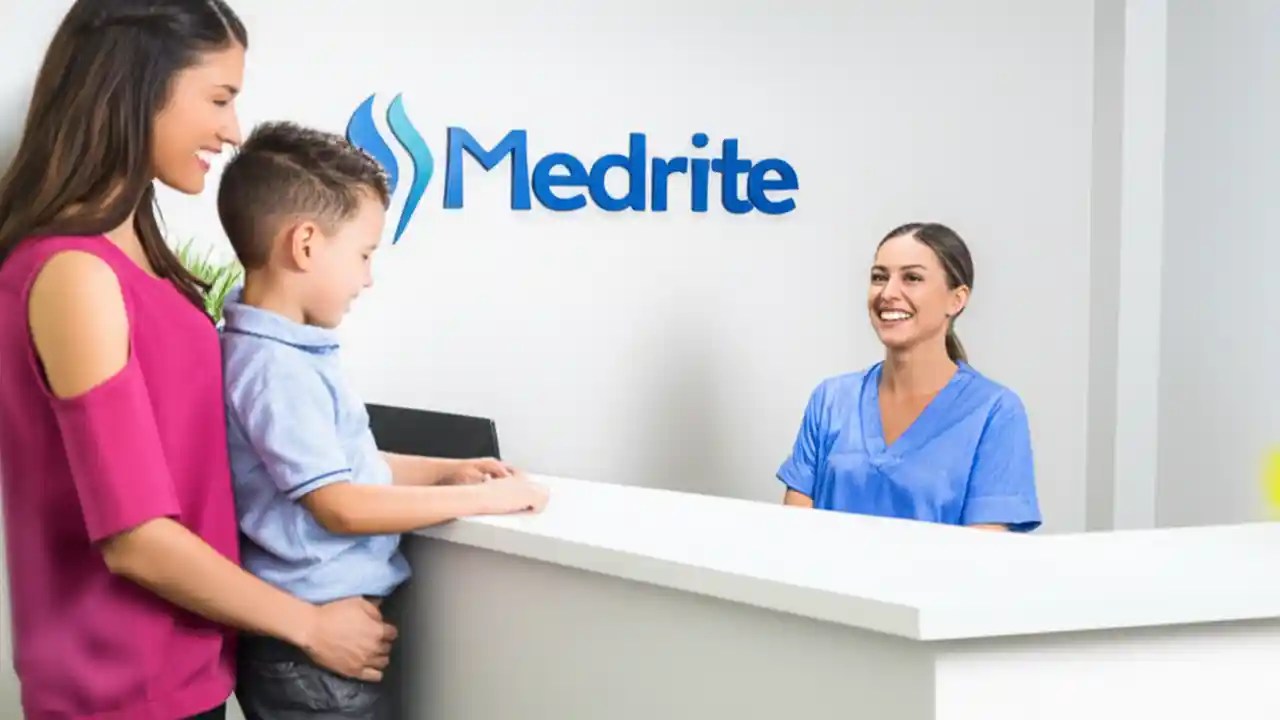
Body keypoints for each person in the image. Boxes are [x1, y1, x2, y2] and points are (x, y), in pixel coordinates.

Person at [0, 3, 395, 719]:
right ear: (137, 86)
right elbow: (136, 539)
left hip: (182, 675)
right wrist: (308, 625)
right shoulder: (75, 276)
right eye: (219, 98)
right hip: (123, 693)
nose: (233, 130)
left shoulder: (141, 263)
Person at [215, 120, 550, 719]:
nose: (368, 278)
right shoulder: (274, 369)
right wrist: (486, 502)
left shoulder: (282, 350)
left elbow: (349, 467)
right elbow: (341, 504)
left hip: (318, 651)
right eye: (364, 254)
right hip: (313, 659)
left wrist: (449, 472)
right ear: (307, 244)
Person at [776, 222, 1042, 531]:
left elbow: (982, 558)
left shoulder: (995, 412)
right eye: (879, 277)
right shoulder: (831, 400)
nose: (888, 293)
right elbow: (792, 537)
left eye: (912, 278)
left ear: (956, 299)